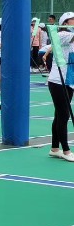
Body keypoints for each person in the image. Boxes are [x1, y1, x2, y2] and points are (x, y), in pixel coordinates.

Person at [45, 12, 74, 161]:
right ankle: (66, 151)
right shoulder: (62, 34)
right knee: (64, 115)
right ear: (65, 23)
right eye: (72, 20)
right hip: (57, 81)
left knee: (59, 115)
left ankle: (55, 148)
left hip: (68, 81)